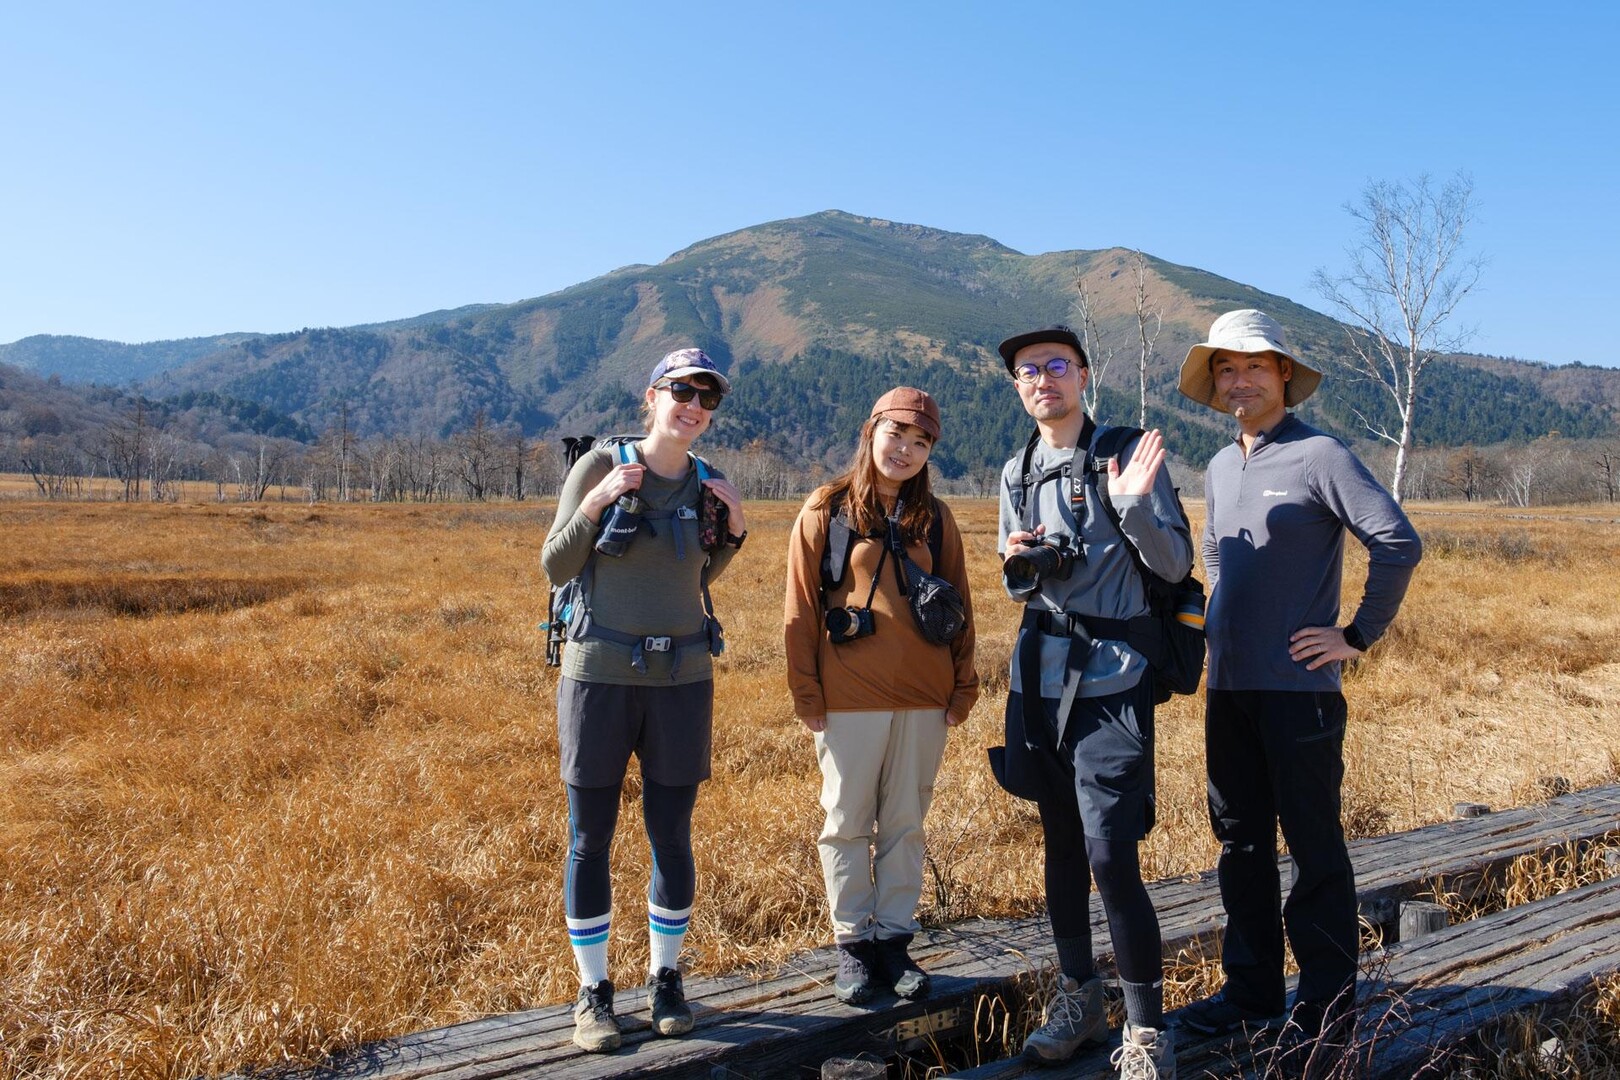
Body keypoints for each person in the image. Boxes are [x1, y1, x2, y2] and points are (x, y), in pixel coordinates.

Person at [1173, 309, 1422, 1059]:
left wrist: (1353, 636)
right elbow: (1217, 551)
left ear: (1284, 374)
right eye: (1225, 368)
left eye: (1254, 365)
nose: (1238, 379)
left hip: (1300, 694)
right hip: (1231, 690)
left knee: (1314, 849)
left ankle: (1326, 1011)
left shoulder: (1320, 455)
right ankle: (1251, 992)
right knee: (1240, 844)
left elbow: (1398, 541)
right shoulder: (1220, 466)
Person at [989, 326, 1191, 1078]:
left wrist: (1133, 504)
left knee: (1111, 852)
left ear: (1082, 376)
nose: (1042, 379)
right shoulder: (1016, 468)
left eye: (1056, 367)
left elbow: (1174, 562)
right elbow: (1021, 575)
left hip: (1112, 679)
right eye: (1027, 371)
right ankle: (1080, 999)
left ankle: (1147, 1036)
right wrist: (1019, 558)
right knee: (1062, 848)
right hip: (1038, 679)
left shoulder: (1124, 452)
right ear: (1017, 387)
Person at [540, 347, 748, 1053]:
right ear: (651, 395)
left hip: (682, 680)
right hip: (598, 674)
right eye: (681, 391)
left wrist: (738, 531)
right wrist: (598, 501)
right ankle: (594, 993)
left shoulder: (709, 482)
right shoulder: (600, 467)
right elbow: (555, 562)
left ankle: (666, 981)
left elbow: (699, 570)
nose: (693, 405)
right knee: (589, 839)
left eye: (707, 398)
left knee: (671, 835)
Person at [783, 387, 979, 1006]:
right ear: (871, 432)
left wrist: (964, 684)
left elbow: (962, 607)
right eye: (898, 434)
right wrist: (807, 694)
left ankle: (894, 943)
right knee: (844, 823)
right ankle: (853, 946)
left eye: (921, 442)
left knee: (904, 824)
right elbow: (800, 609)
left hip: (926, 700)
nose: (907, 450)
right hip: (848, 701)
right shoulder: (825, 510)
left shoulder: (936, 517)